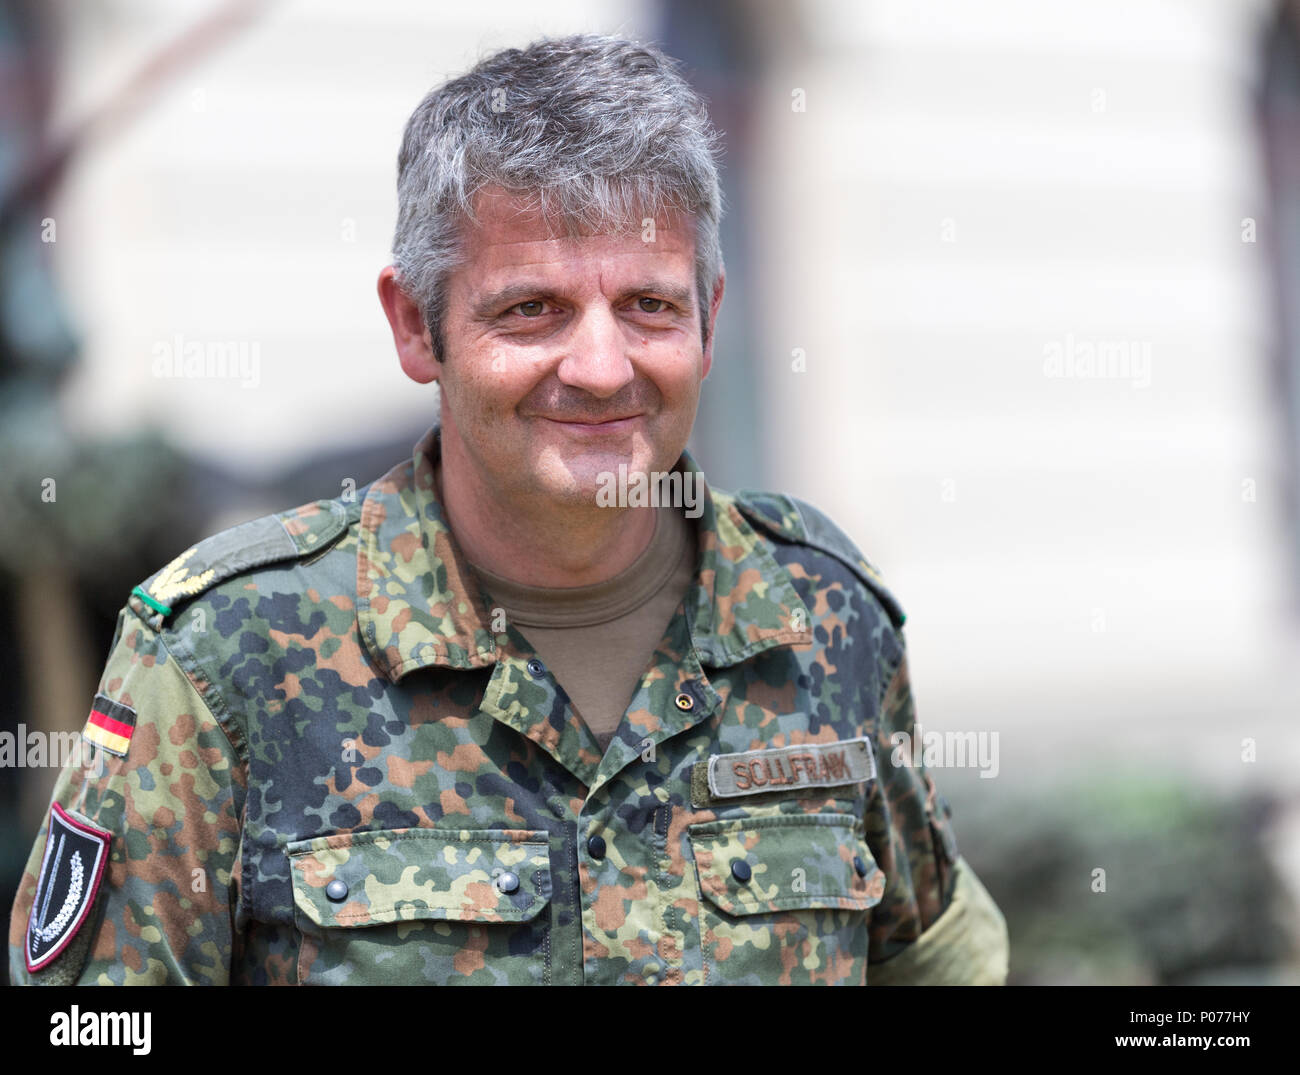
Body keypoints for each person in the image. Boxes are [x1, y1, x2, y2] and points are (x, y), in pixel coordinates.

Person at [9, 32, 1009, 986]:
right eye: (530, 309)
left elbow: (932, 957)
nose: (600, 366)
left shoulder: (823, 615)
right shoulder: (229, 654)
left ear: (708, 321)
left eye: (649, 306)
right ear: (416, 328)